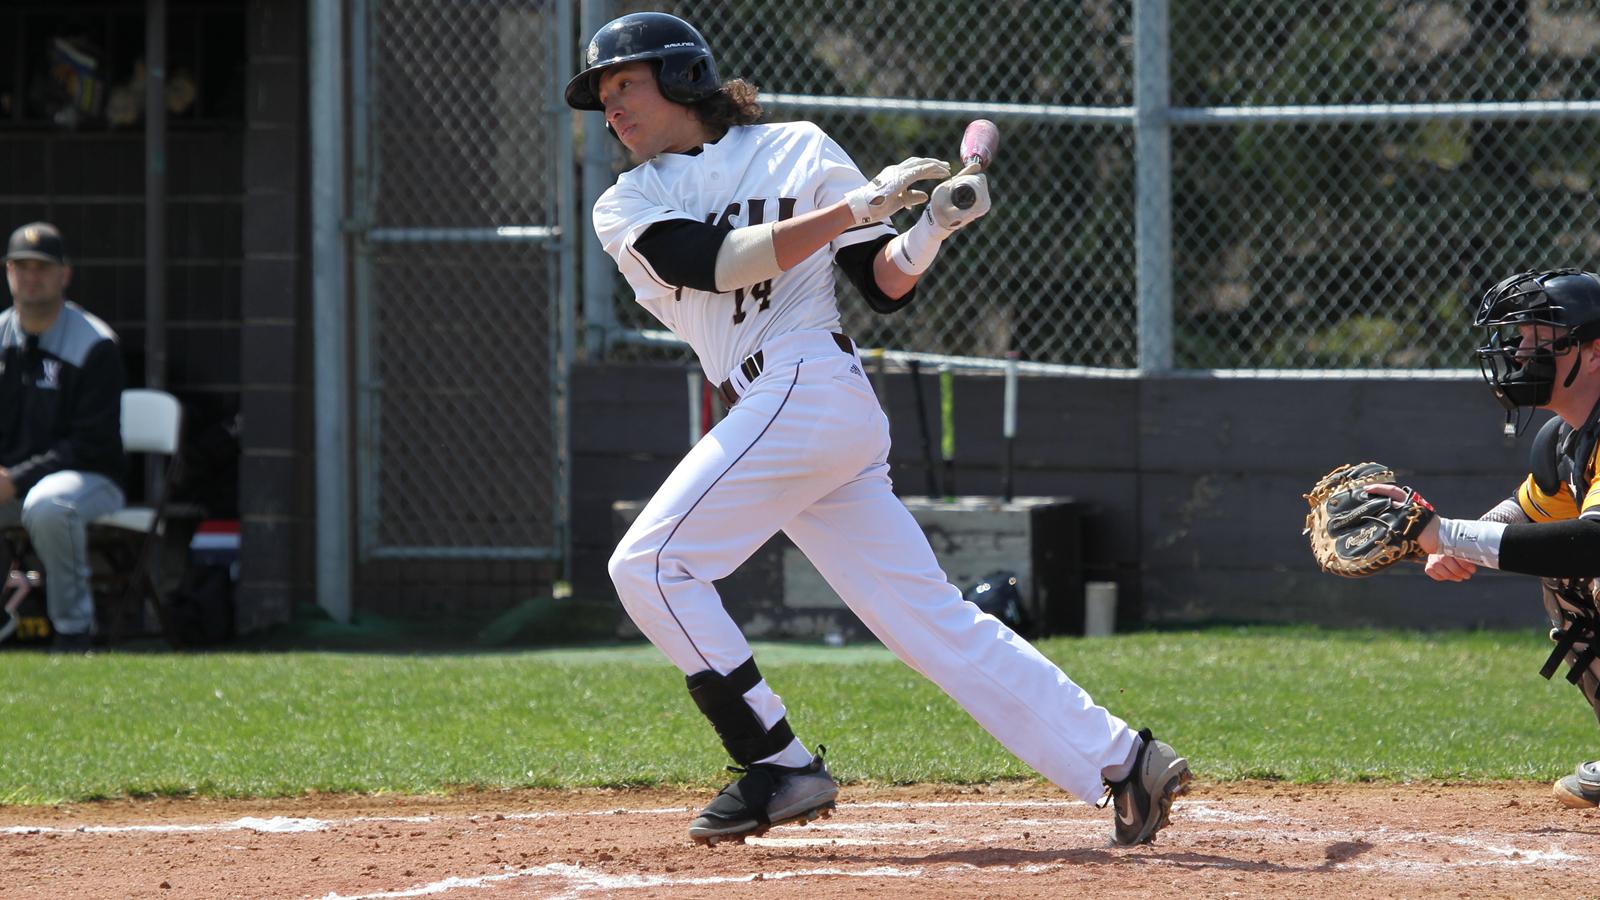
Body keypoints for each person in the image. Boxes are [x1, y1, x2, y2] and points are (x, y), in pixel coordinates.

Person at [566, 12, 1190, 847]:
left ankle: (778, 764)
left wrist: (932, 226)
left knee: (649, 565)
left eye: (624, 86)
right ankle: (1125, 760)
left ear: (682, 79)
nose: (612, 110)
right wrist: (860, 204)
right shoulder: (629, 201)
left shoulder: (798, 146)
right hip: (785, 406)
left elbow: (884, 282)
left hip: (809, 383)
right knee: (928, 621)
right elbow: (715, 264)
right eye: (603, 98)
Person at [1378, 268, 1600, 808]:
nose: (1521, 354)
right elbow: (1525, 516)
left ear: (1593, 352)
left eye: (1539, 339)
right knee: (1565, 577)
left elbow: (1595, 542)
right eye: (1519, 338)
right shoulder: (1566, 439)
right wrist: (1437, 539)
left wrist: (1445, 533)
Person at [0, 222, 126, 651]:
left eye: (43, 267)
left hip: (88, 479)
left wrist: (15, 479)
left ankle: (74, 630)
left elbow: (90, 442)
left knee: (49, 504)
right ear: (8, 273)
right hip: (10, 483)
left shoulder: (96, 345)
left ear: (64, 276)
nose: (31, 277)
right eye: (21, 267)